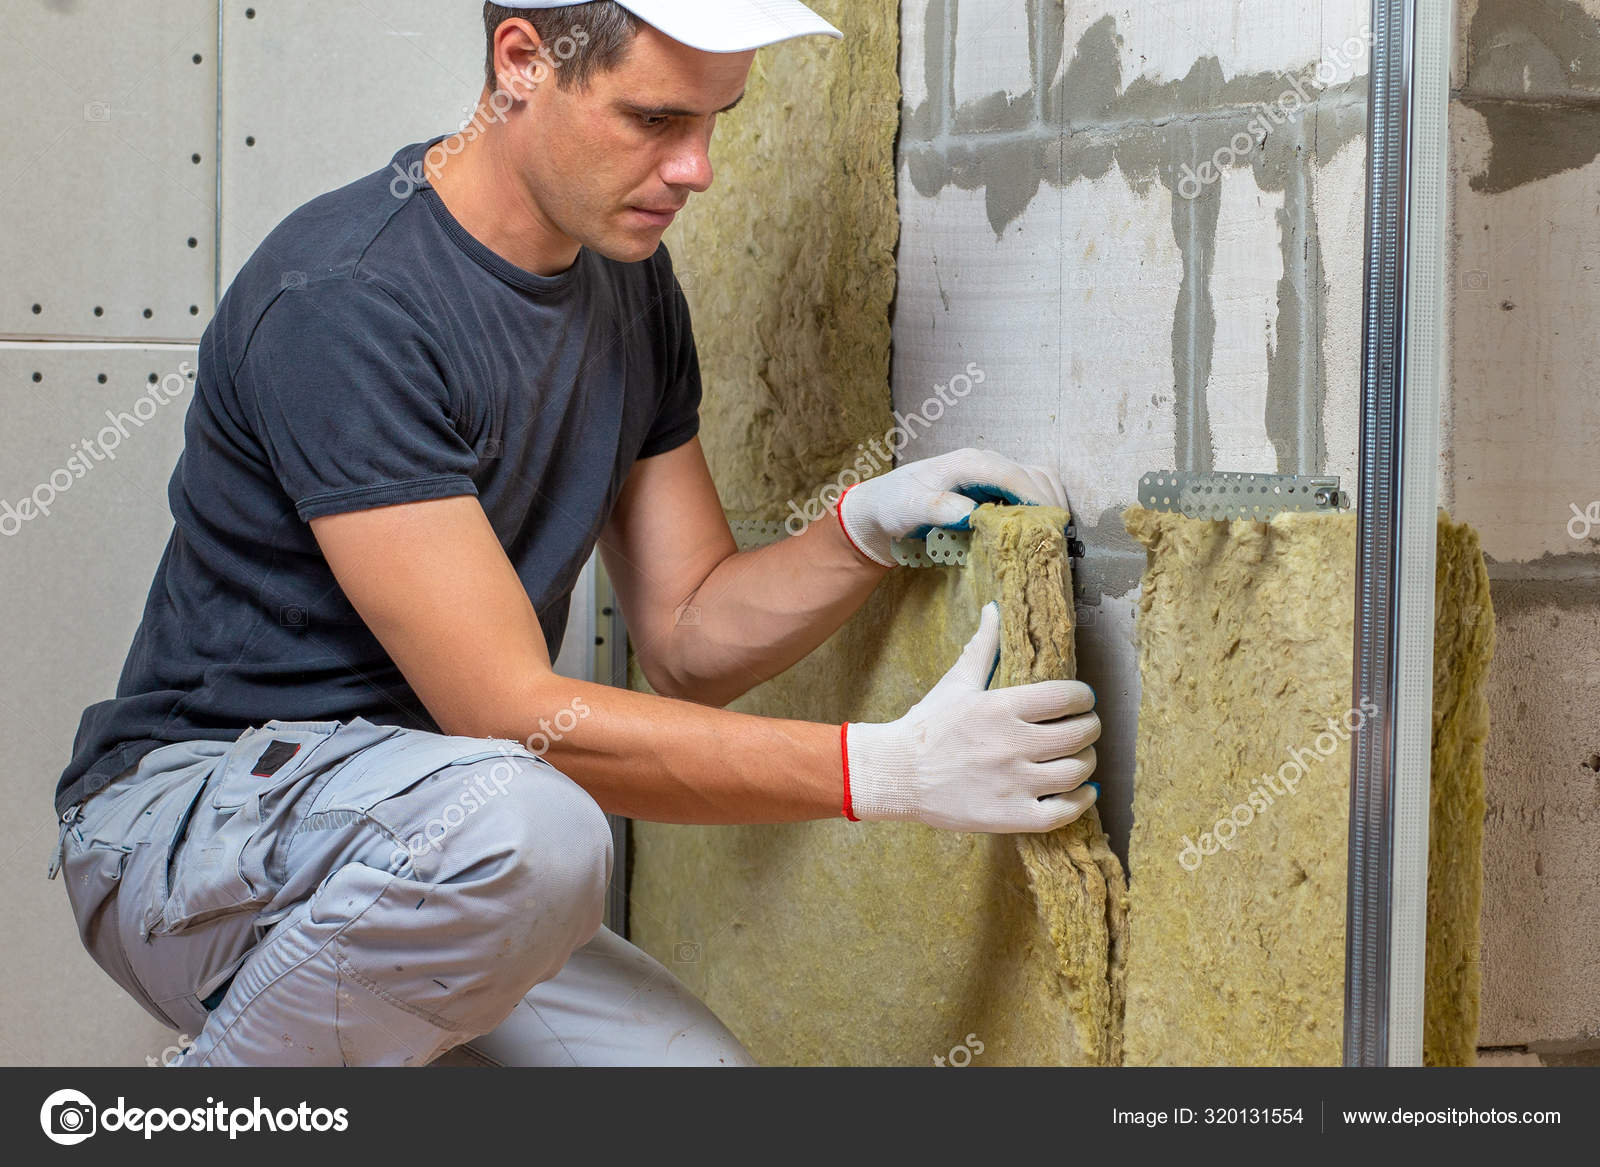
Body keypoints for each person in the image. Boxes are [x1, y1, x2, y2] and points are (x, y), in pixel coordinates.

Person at [49, 0, 1101, 1067]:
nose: (694, 169)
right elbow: (507, 713)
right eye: (653, 120)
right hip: (192, 836)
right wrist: (882, 773)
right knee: (536, 829)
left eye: (713, 121)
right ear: (521, 63)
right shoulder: (347, 299)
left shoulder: (629, 285)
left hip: (442, 840)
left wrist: (857, 534)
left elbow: (688, 637)